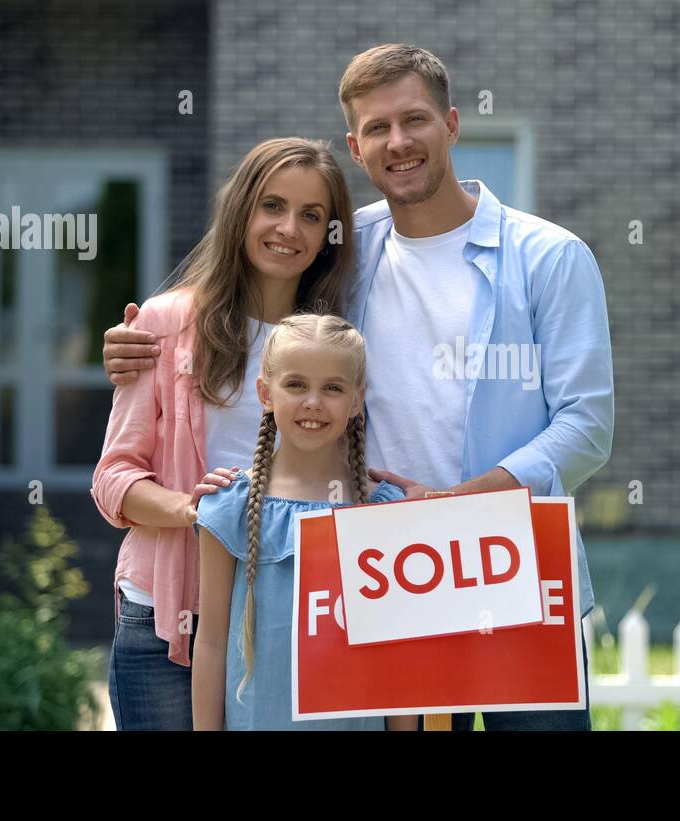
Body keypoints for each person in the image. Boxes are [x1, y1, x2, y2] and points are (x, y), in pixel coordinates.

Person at [103, 45, 615, 731]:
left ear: (453, 124)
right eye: (377, 128)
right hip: (375, 578)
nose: (398, 142)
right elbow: (251, 310)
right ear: (356, 144)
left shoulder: (549, 258)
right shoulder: (348, 249)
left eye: (415, 121)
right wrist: (140, 341)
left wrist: (455, 505)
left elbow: (585, 427)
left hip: (506, 565)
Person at [91, 137, 357, 730]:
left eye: (312, 215)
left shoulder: (334, 343)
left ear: (328, 235)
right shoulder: (163, 325)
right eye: (272, 206)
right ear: (241, 211)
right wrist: (202, 511)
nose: (289, 228)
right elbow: (113, 480)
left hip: (283, 621)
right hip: (169, 619)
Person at [191, 313, 411, 730]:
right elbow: (212, 641)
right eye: (296, 384)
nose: (313, 402)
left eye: (333, 388)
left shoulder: (385, 512)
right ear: (265, 392)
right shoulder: (229, 506)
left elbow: (399, 653)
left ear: (357, 400)